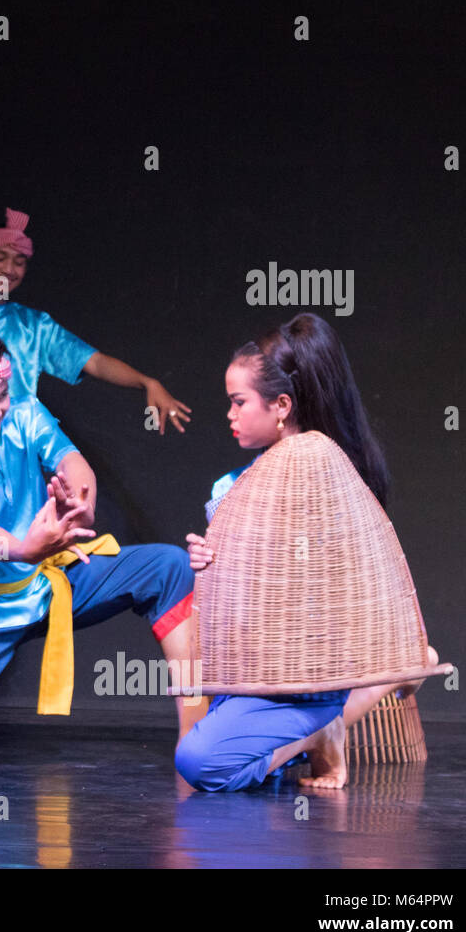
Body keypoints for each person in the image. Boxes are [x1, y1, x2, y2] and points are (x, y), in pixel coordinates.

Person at [0, 207, 191, 666]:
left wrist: (146, 382)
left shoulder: (33, 325)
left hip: (13, 477)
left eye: (19, 263)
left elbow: (91, 361)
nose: (10, 271)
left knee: (11, 572)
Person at [0, 326, 201, 762]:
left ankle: (195, 732)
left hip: (51, 579)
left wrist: (80, 507)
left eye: (0, 396)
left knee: (170, 567)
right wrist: (25, 549)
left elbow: (73, 464)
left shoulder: (23, 412)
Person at [175, 313, 436, 791]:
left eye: (238, 403)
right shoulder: (236, 490)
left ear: (280, 405)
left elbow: (346, 586)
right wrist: (212, 562)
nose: (230, 415)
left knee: (198, 762)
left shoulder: (331, 477)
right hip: (259, 665)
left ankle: (324, 722)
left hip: (316, 667)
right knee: (203, 758)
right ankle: (318, 731)